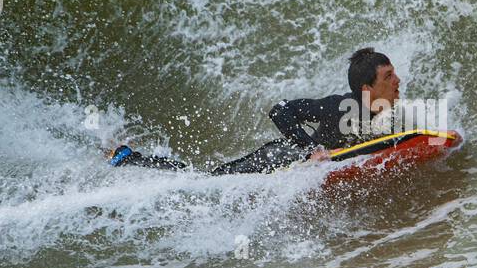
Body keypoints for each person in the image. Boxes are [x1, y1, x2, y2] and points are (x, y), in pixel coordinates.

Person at [108, 47, 401, 175]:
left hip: (290, 161)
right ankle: (129, 159)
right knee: (204, 180)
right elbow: (280, 110)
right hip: (275, 158)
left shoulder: (374, 114)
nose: (397, 80)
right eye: (388, 76)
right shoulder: (339, 107)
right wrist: (313, 149)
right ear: (367, 89)